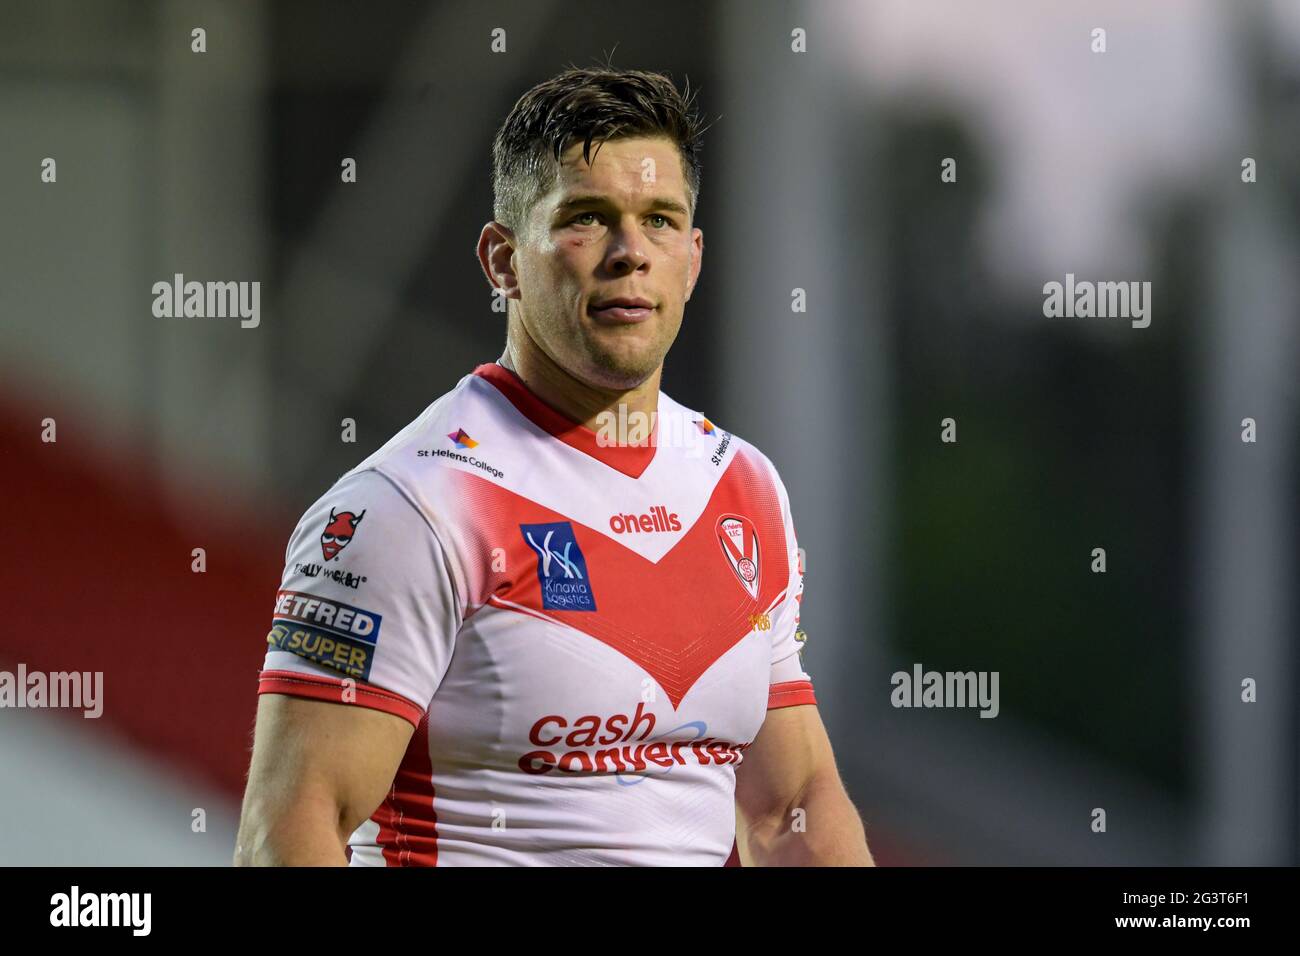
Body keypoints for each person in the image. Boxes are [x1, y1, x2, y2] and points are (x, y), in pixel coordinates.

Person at [234, 65, 873, 866]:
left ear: (695, 258)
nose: (630, 253)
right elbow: (290, 829)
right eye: (587, 218)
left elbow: (789, 809)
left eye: (661, 221)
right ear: (502, 261)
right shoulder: (408, 507)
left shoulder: (744, 487)